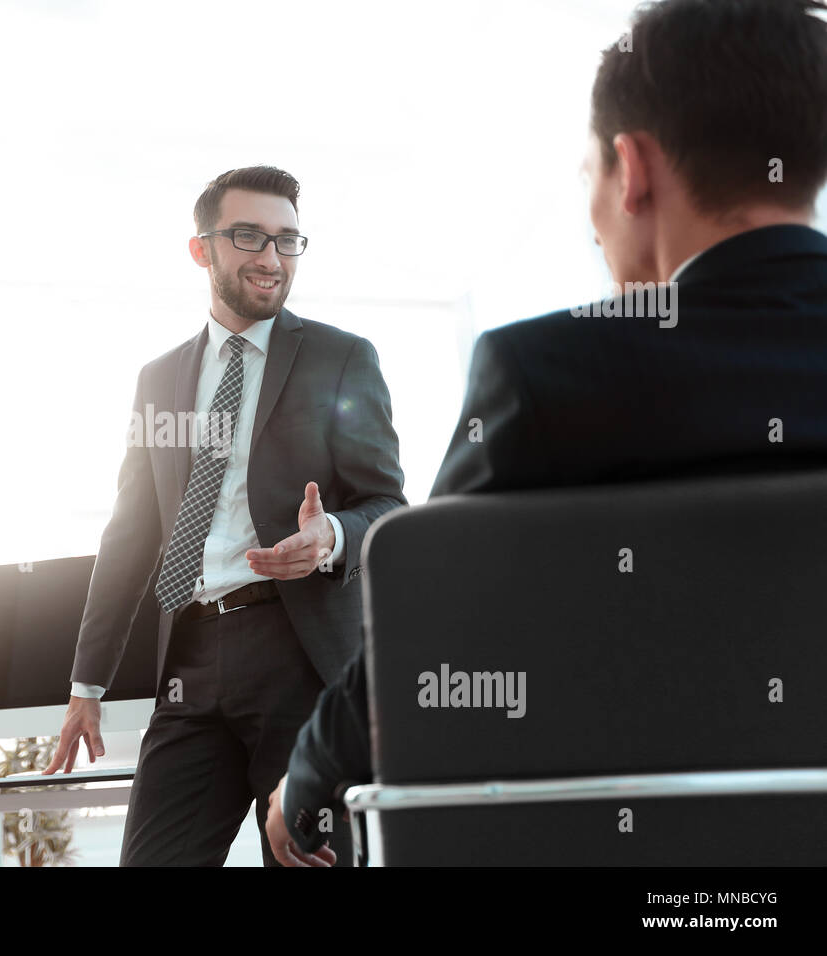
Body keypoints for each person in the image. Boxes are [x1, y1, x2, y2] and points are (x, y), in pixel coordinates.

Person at [269, 0, 827, 865]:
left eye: (589, 179)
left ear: (632, 169)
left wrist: (300, 795)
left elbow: (423, 641)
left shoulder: (545, 378)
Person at [41, 166, 407, 866]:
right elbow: (130, 536)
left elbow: (388, 507)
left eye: (287, 240)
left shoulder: (341, 359)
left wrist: (331, 536)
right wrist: (86, 684)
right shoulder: (160, 379)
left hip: (301, 658)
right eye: (249, 237)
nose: (271, 258)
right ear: (202, 249)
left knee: (310, 860)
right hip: (190, 661)